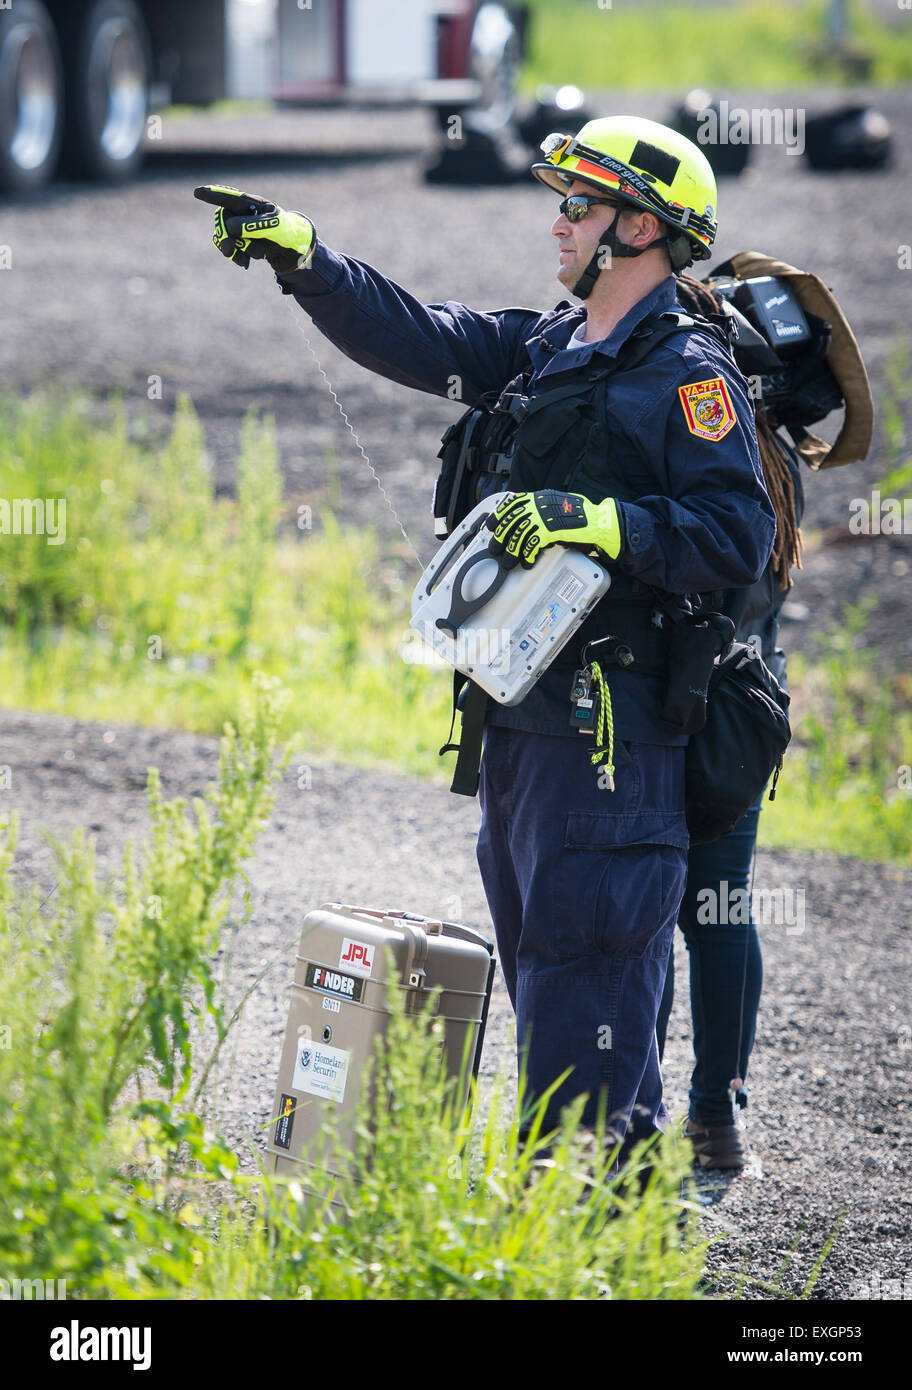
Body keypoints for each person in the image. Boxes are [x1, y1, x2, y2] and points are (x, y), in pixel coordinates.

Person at [195, 115, 776, 1163]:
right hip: (521, 727)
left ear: (640, 228)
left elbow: (740, 534)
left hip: (613, 741)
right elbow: (424, 335)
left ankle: (583, 1226)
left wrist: (602, 524)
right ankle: (595, 1214)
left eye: (578, 204)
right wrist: (307, 260)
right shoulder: (553, 345)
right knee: (549, 967)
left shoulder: (687, 374)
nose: (556, 222)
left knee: (584, 977)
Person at [655, 272, 806, 1171]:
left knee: (655, 907)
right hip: (747, 715)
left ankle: (663, 1104)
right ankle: (717, 1115)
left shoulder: (713, 440)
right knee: (720, 908)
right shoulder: (776, 454)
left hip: (687, 702)